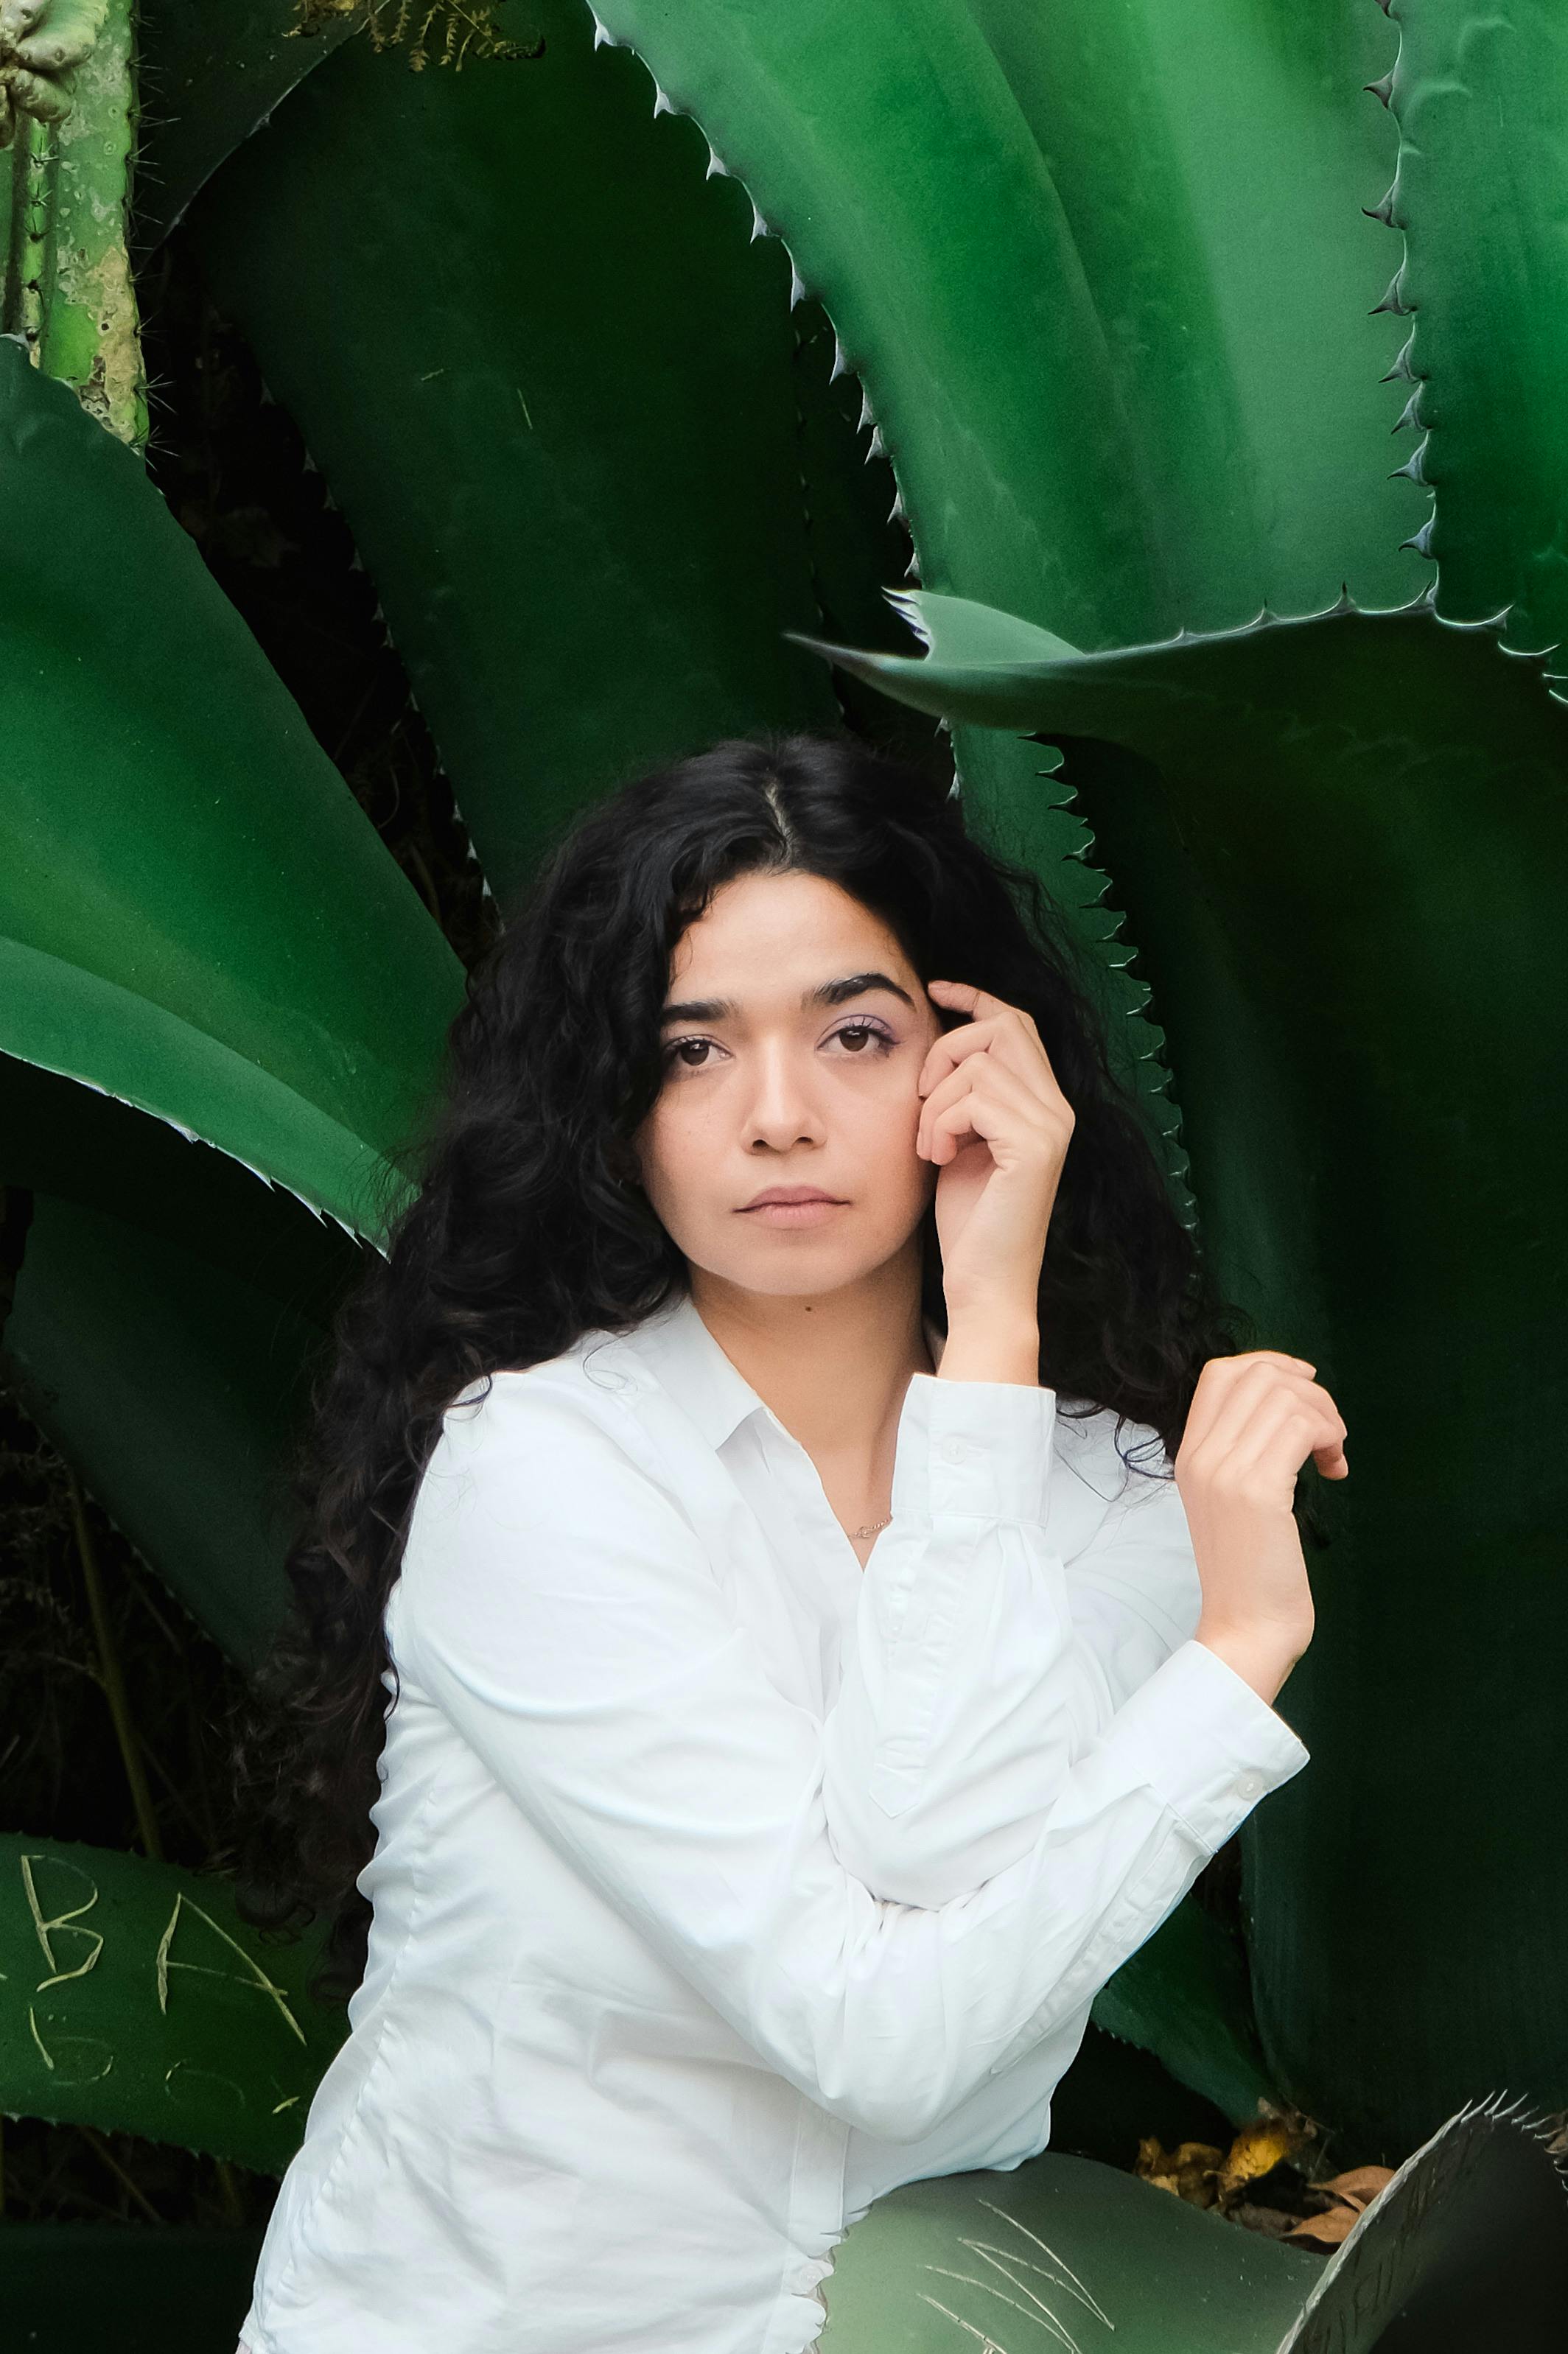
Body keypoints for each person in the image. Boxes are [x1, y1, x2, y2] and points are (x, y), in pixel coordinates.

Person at [227, 730, 1345, 2354]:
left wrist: (995, 1322)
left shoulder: (1114, 1498)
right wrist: (1232, 1661)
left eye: (855, 1033)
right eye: (690, 1048)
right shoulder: (543, 1469)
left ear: (974, 1063)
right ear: (610, 1104)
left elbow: (923, 1826)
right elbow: (874, 2029)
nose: (774, 1115)